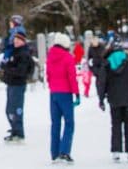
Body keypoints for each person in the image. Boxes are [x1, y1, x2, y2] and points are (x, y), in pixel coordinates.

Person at [97, 42, 128, 163]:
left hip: (114, 98)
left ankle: (116, 152)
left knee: (115, 125)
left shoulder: (107, 62)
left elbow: (102, 82)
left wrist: (101, 99)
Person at [46, 33, 80, 163]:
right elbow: (71, 77)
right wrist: (76, 93)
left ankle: (54, 153)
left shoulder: (50, 56)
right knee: (69, 123)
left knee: (55, 124)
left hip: (53, 93)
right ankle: (64, 152)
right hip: (65, 93)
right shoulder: (67, 57)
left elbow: (48, 75)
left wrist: (52, 87)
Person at [2, 30, 34, 142]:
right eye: (15, 39)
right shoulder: (14, 52)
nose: (15, 41)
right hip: (11, 84)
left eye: (18, 40)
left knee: (16, 109)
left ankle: (19, 132)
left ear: (23, 41)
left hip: (18, 85)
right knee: (9, 110)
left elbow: (20, 71)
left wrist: (7, 69)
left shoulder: (23, 54)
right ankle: (14, 129)